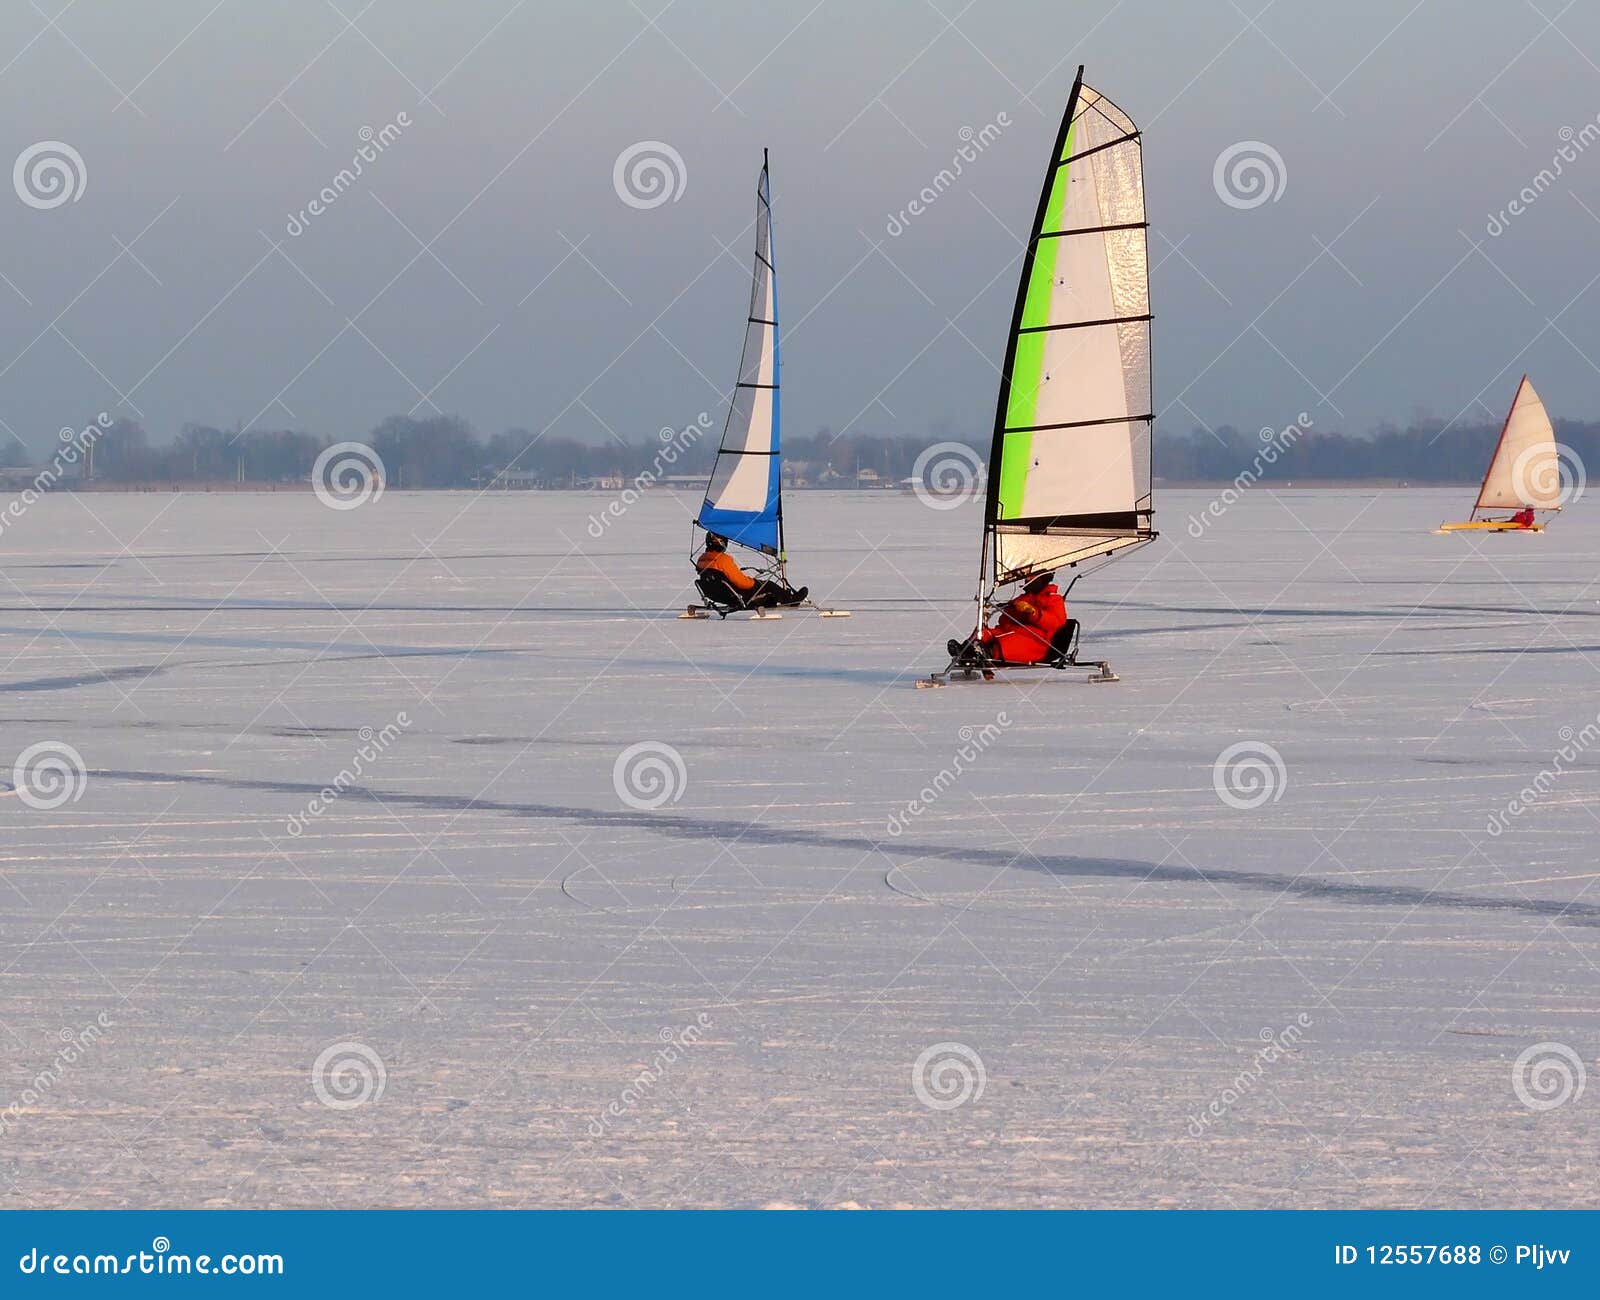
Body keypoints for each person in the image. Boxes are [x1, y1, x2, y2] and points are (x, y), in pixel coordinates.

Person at [948, 571, 1068, 666]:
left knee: (1006, 641)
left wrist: (1033, 612)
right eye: (1027, 576)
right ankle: (966, 650)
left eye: (1030, 576)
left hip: (1039, 642)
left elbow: (1057, 623)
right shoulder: (1024, 597)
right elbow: (1004, 621)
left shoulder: (1054, 599)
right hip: (1016, 631)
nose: (1026, 579)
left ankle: (984, 652)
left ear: (1041, 578)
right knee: (984, 633)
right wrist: (995, 611)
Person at [695, 533, 807, 608]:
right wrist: (754, 582)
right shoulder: (723, 559)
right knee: (768, 585)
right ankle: (791, 600)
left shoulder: (701, 559)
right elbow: (741, 582)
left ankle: (766, 601)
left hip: (715, 595)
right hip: (734, 595)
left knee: (765, 594)